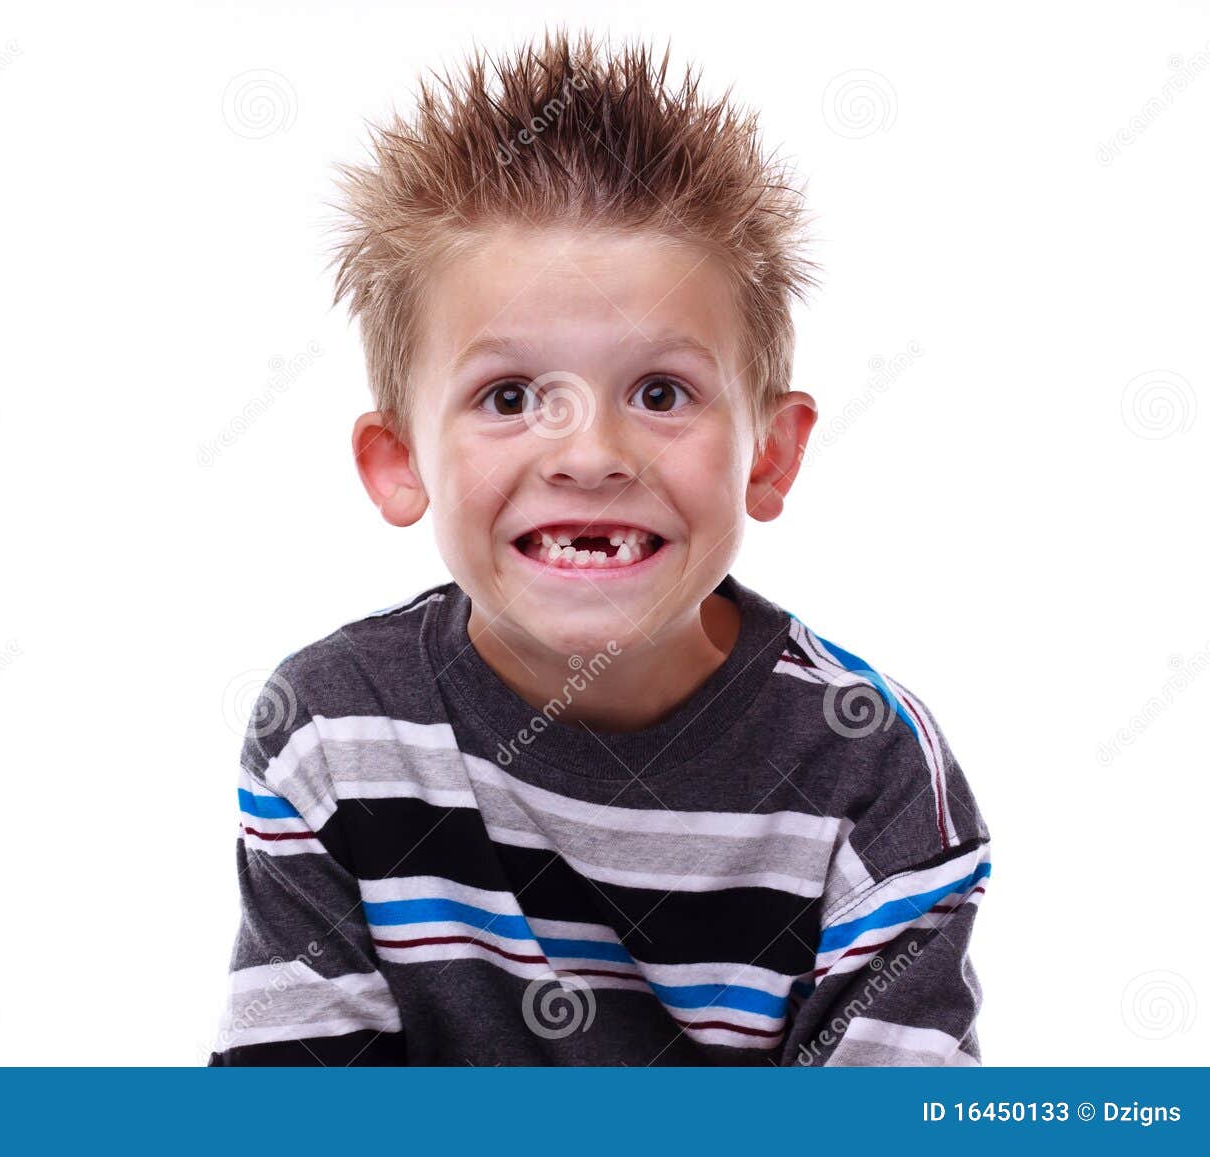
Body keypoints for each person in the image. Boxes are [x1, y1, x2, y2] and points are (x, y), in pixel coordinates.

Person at [209, 27, 992, 1066]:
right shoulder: (329, 733)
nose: (590, 452)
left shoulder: (870, 768)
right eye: (510, 396)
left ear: (771, 455)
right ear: (399, 461)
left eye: (660, 392)